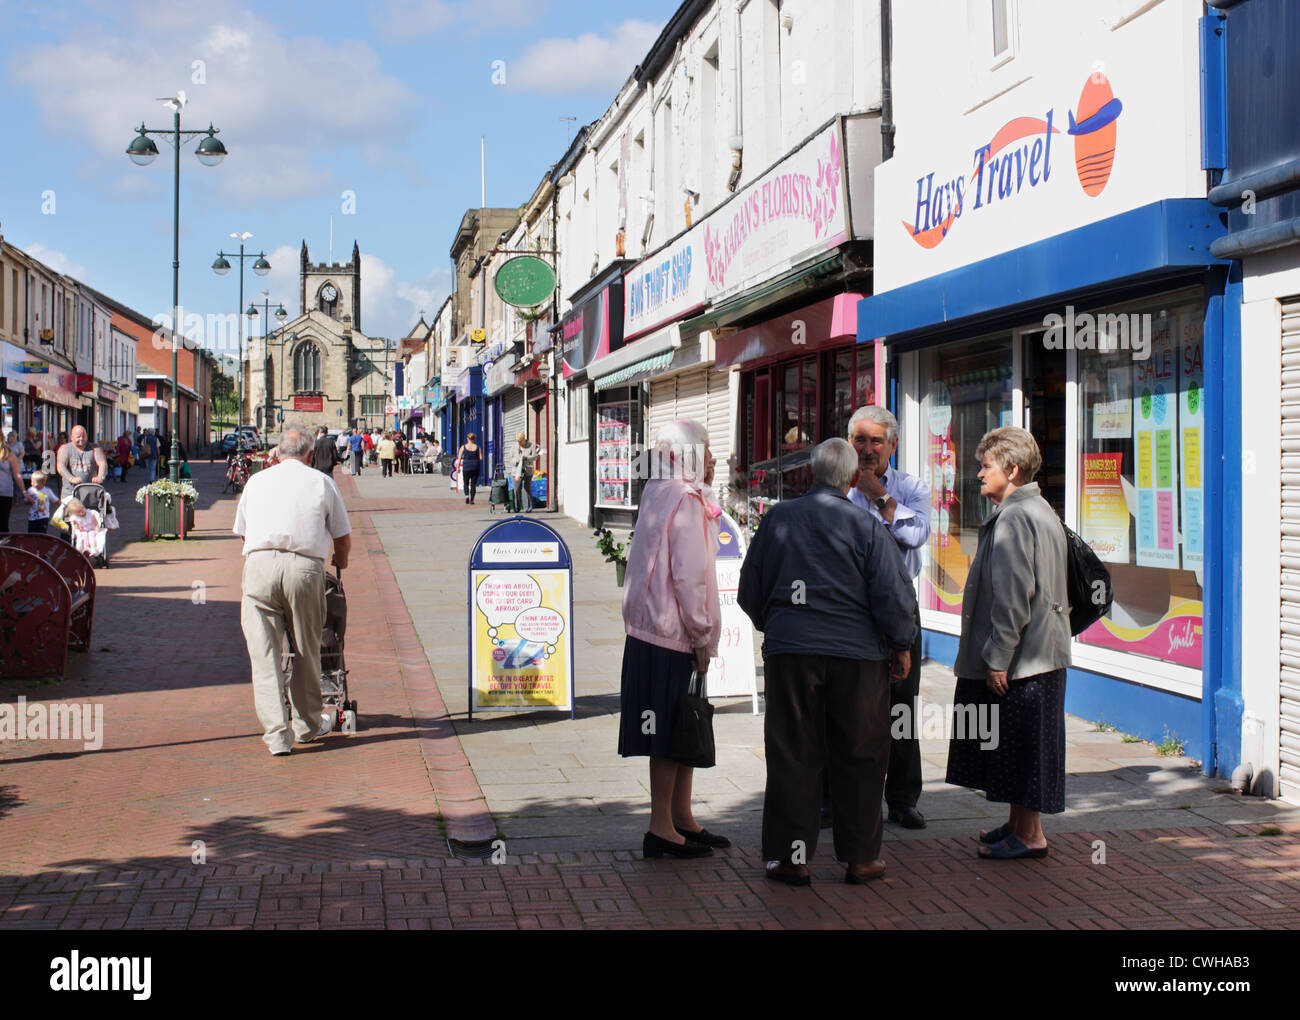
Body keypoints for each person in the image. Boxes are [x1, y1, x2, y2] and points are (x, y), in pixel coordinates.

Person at [738, 438, 917, 887]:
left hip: (791, 654)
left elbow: (749, 590)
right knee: (861, 753)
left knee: (792, 752)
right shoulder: (867, 525)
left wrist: (778, 625)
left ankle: (792, 859)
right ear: (855, 479)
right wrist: (901, 645)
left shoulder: (778, 518)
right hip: (857, 659)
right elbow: (894, 596)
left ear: (810, 475)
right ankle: (860, 859)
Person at [946, 426, 1071, 860]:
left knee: (1021, 747)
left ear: (1012, 470)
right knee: (1019, 746)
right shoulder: (1038, 509)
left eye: (986, 466)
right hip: (1038, 655)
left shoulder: (1017, 517)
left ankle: (1030, 834)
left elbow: (1014, 596)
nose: (979, 474)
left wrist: (997, 659)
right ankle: (1018, 825)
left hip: (1025, 659)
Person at [618, 420, 725, 859]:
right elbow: (689, 576)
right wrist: (702, 635)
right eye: (707, 450)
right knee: (669, 727)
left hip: (648, 632)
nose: (715, 459)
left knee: (679, 723)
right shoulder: (687, 500)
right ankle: (662, 827)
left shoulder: (658, 491)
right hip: (673, 634)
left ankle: (681, 817)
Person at [233, 426, 353, 757]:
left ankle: (276, 735)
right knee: (306, 648)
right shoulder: (321, 482)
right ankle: (307, 725)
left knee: (264, 654)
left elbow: (243, 533)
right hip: (304, 568)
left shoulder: (256, 482)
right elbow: (341, 536)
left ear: (276, 453)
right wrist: (339, 563)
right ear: (310, 455)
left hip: (259, 566)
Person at [845, 406, 932, 830]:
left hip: (899, 607)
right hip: (848, 609)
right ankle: (837, 798)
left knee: (901, 707)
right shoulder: (837, 486)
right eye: (859, 440)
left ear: (892, 446)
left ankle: (901, 798)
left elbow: (915, 534)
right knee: (846, 706)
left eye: (875, 441)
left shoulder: (912, 487)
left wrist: (878, 495)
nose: (866, 449)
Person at [56, 425, 107, 503]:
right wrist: (71, 478)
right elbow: (60, 466)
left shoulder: (95, 448)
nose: (81, 439)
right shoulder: (65, 448)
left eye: (83, 436)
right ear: (71, 437)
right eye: (78, 437)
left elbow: (102, 463)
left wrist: (100, 476)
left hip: (91, 491)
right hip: (70, 492)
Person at [0, 441, 27, 530]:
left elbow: (16, 474)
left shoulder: (8, 453)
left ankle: (4, 542)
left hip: (5, 492)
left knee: (3, 523)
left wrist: (24, 492)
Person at [512, 431, 541, 513]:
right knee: (517, 489)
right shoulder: (514, 446)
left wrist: (527, 458)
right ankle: (516, 508)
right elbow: (510, 458)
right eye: (518, 441)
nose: (519, 443)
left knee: (526, 488)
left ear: (524, 439)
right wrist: (516, 461)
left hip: (527, 470)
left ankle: (527, 508)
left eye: (521, 441)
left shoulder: (531, 445)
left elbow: (535, 457)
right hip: (516, 471)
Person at [457, 432, 482, 504]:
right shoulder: (477, 447)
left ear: (467, 438)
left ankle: (467, 496)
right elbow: (481, 458)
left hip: (466, 466)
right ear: (474, 439)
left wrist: (458, 467)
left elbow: (459, 458)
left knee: (466, 483)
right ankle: (472, 500)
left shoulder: (463, 447)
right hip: (475, 466)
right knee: (473, 484)